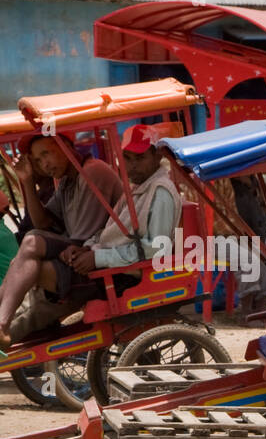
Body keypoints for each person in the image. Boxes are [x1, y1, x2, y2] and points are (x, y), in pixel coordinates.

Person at [0, 125, 179, 348]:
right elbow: (100, 233)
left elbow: (153, 250)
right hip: (101, 264)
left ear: (156, 155)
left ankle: (3, 324)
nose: (132, 166)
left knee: (32, 251)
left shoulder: (157, 191)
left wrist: (95, 256)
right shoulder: (136, 188)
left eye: (139, 158)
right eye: (127, 158)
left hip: (120, 275)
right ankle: (3, 323)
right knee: (28, 254)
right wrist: (89, 249)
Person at [0, 133, 122, 343]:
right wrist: (27, 181)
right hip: (77, 263)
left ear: (65, 146)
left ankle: (2, 324)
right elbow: (43, 223)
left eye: (46, 154)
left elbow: (79, 243)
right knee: (23, 258)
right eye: (38, 160)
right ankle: (2, 322)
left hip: (101, 267)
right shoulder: (66, 182)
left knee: (31, 244)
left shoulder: (92, 172)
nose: (44, 164)